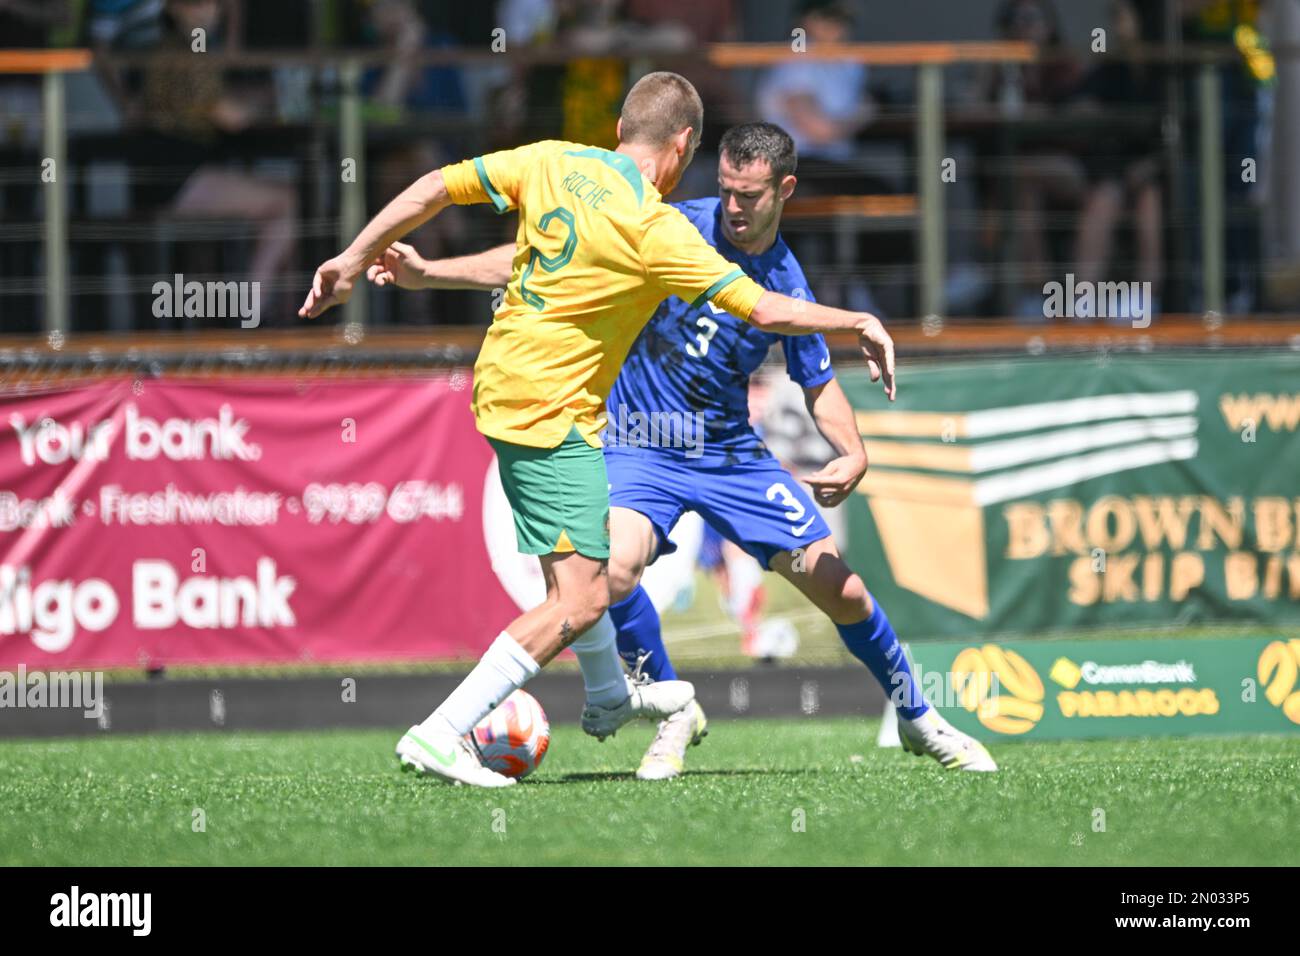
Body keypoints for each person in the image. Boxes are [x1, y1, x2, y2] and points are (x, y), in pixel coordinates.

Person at [301, 73, 897, 788]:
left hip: (503, 388)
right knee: (581, 599)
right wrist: (857, 319)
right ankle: (440, 732)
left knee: (587, 577)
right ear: (684, 145)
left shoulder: (555, 160)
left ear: (620, 130)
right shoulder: (655, 229)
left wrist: (357, 255)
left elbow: (435, 185)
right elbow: (765, 311)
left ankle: (611, 695)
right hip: (554, 411)